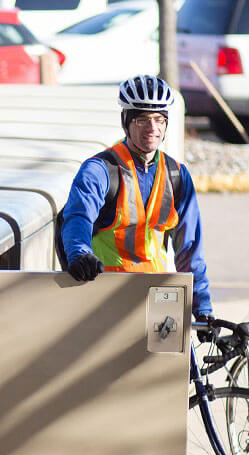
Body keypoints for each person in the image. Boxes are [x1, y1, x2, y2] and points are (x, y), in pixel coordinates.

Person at [61, 74, 212, 323]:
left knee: (184, 362)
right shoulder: (100, 170)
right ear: (126, 122)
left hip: (157, 296)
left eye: (159, 120)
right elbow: (78, 216)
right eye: (142, 120)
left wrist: (202, 306)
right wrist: (79, 253)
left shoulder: (176, 175)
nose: (152, 128)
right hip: (106, 296)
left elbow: (190, 249)